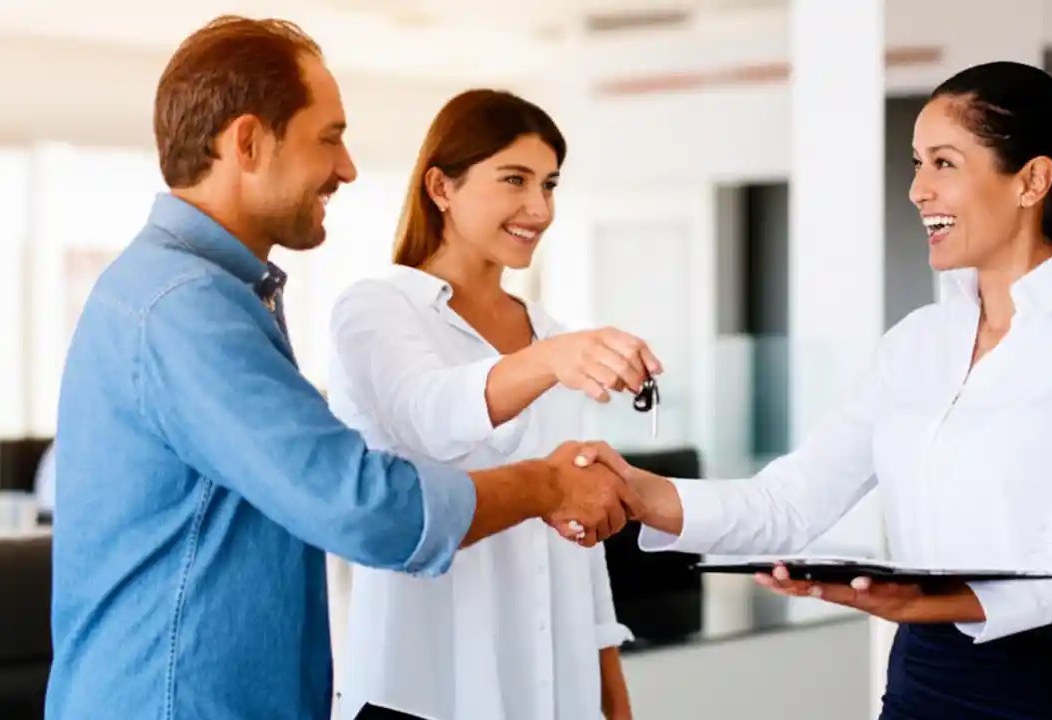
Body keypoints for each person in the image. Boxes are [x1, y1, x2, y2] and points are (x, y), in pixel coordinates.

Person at [46, 17, 638, 720]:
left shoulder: (210, 294)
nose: (349, 167)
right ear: (248, 143)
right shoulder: (187, 307)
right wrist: (545, 484)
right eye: (329, 137)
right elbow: (364, 506)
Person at [588, 61, 1052, 719]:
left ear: (1032, 181)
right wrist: (638, 494)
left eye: (944, 163)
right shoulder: (917, 342)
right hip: (920, 676)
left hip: (1039, 689)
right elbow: (789, 503)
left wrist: (927, 602)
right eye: (917, 163)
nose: (918, 189)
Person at [327, 89, 658, 720]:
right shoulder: (375, 310)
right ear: (441, 188)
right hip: (417, 693)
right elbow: (429, 416)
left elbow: (579, 544)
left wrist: (612, 695)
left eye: (550, 185)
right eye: (514, 180)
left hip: (549, 693)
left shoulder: (554, 333)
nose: (539, 208)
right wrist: (551, 360)